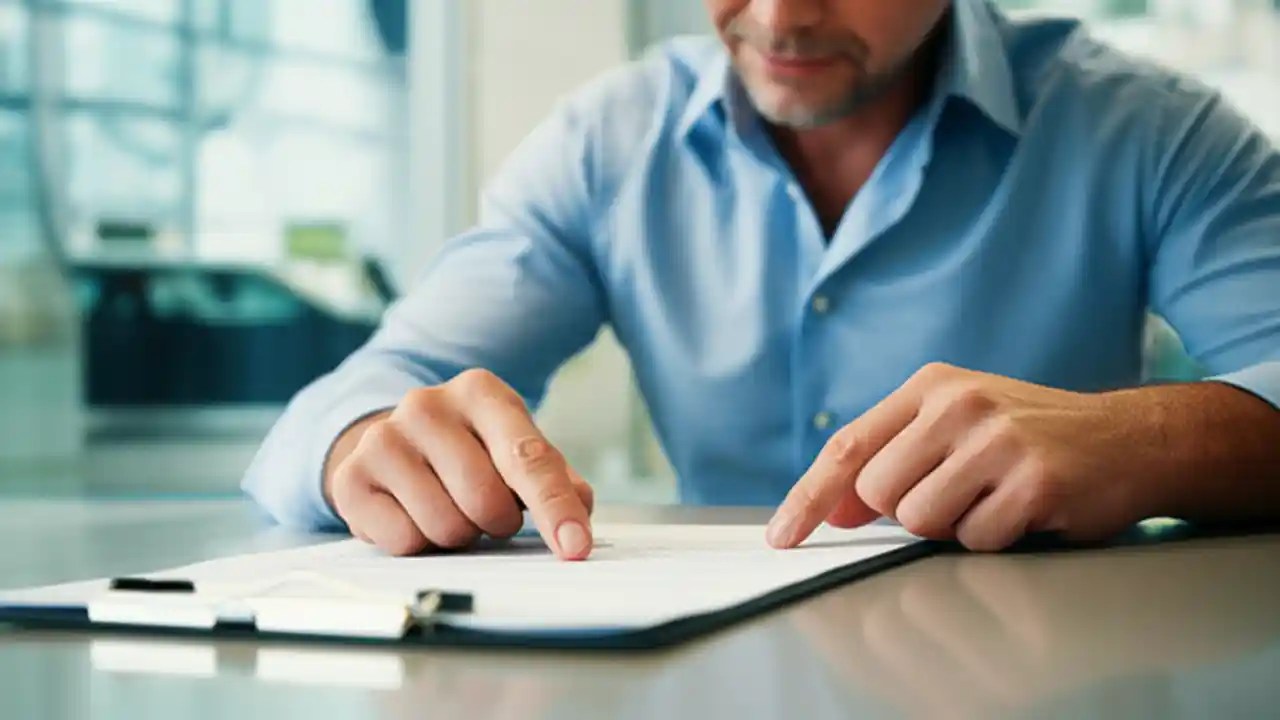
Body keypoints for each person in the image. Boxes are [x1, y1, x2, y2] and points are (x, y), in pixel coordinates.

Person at [244, 0, 1280, 560]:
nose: (779, 17)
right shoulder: (608, 143)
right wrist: (359, 446)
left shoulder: (1150, 131)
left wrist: (1140, 440)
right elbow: (360, 392)